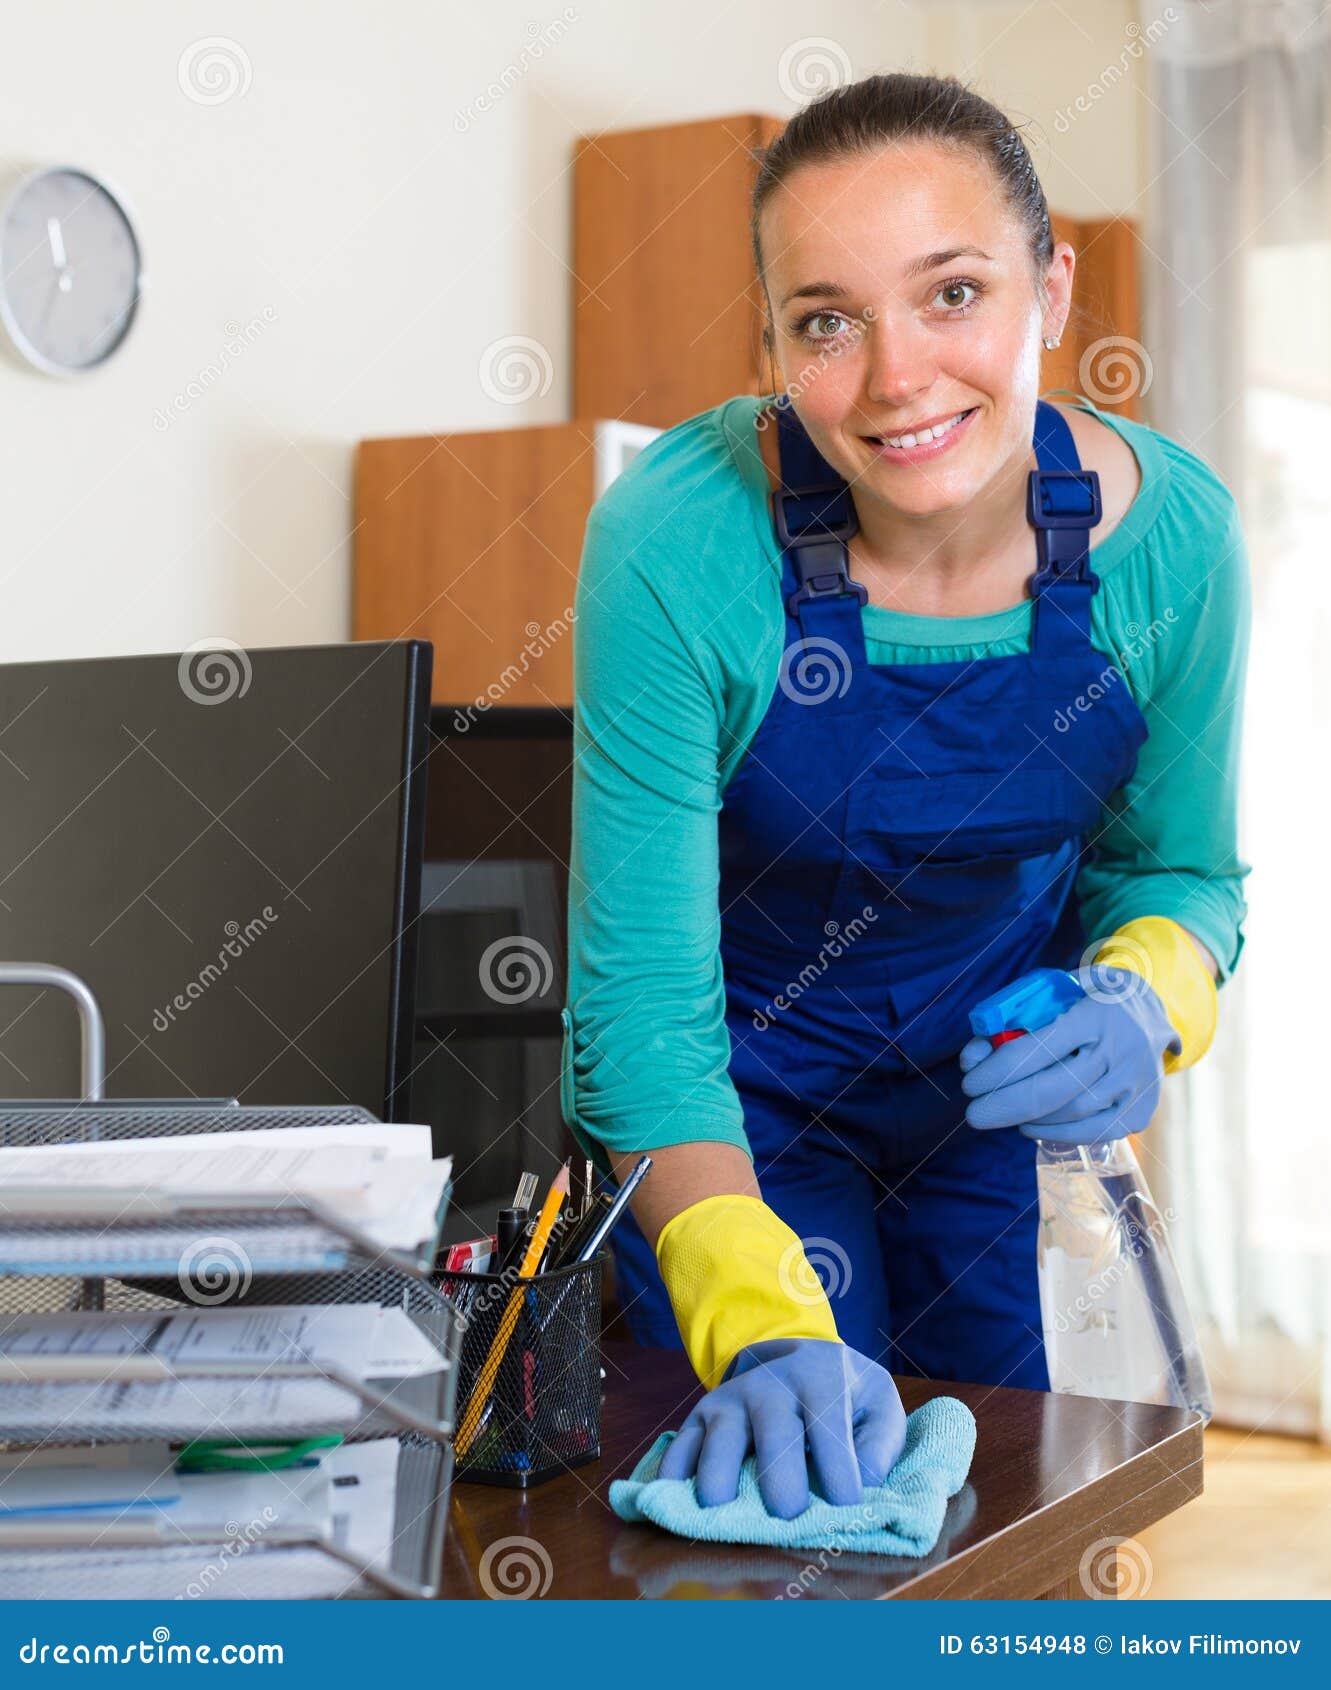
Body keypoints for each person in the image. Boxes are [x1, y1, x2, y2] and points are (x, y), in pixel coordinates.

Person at [560, 71, 1249, 1520]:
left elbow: (1184, 874)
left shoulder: (1176, 549)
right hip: (736, 1121)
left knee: (1025, 1515)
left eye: (953, 293)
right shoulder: (677, 542)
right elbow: (638, 1013)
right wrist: (753, 1315)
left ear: (1052, 291)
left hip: (1000, 1118)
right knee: (792, 1515)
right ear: (772, 345)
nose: (894, 377)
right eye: (827, 320)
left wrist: (1137, 997)